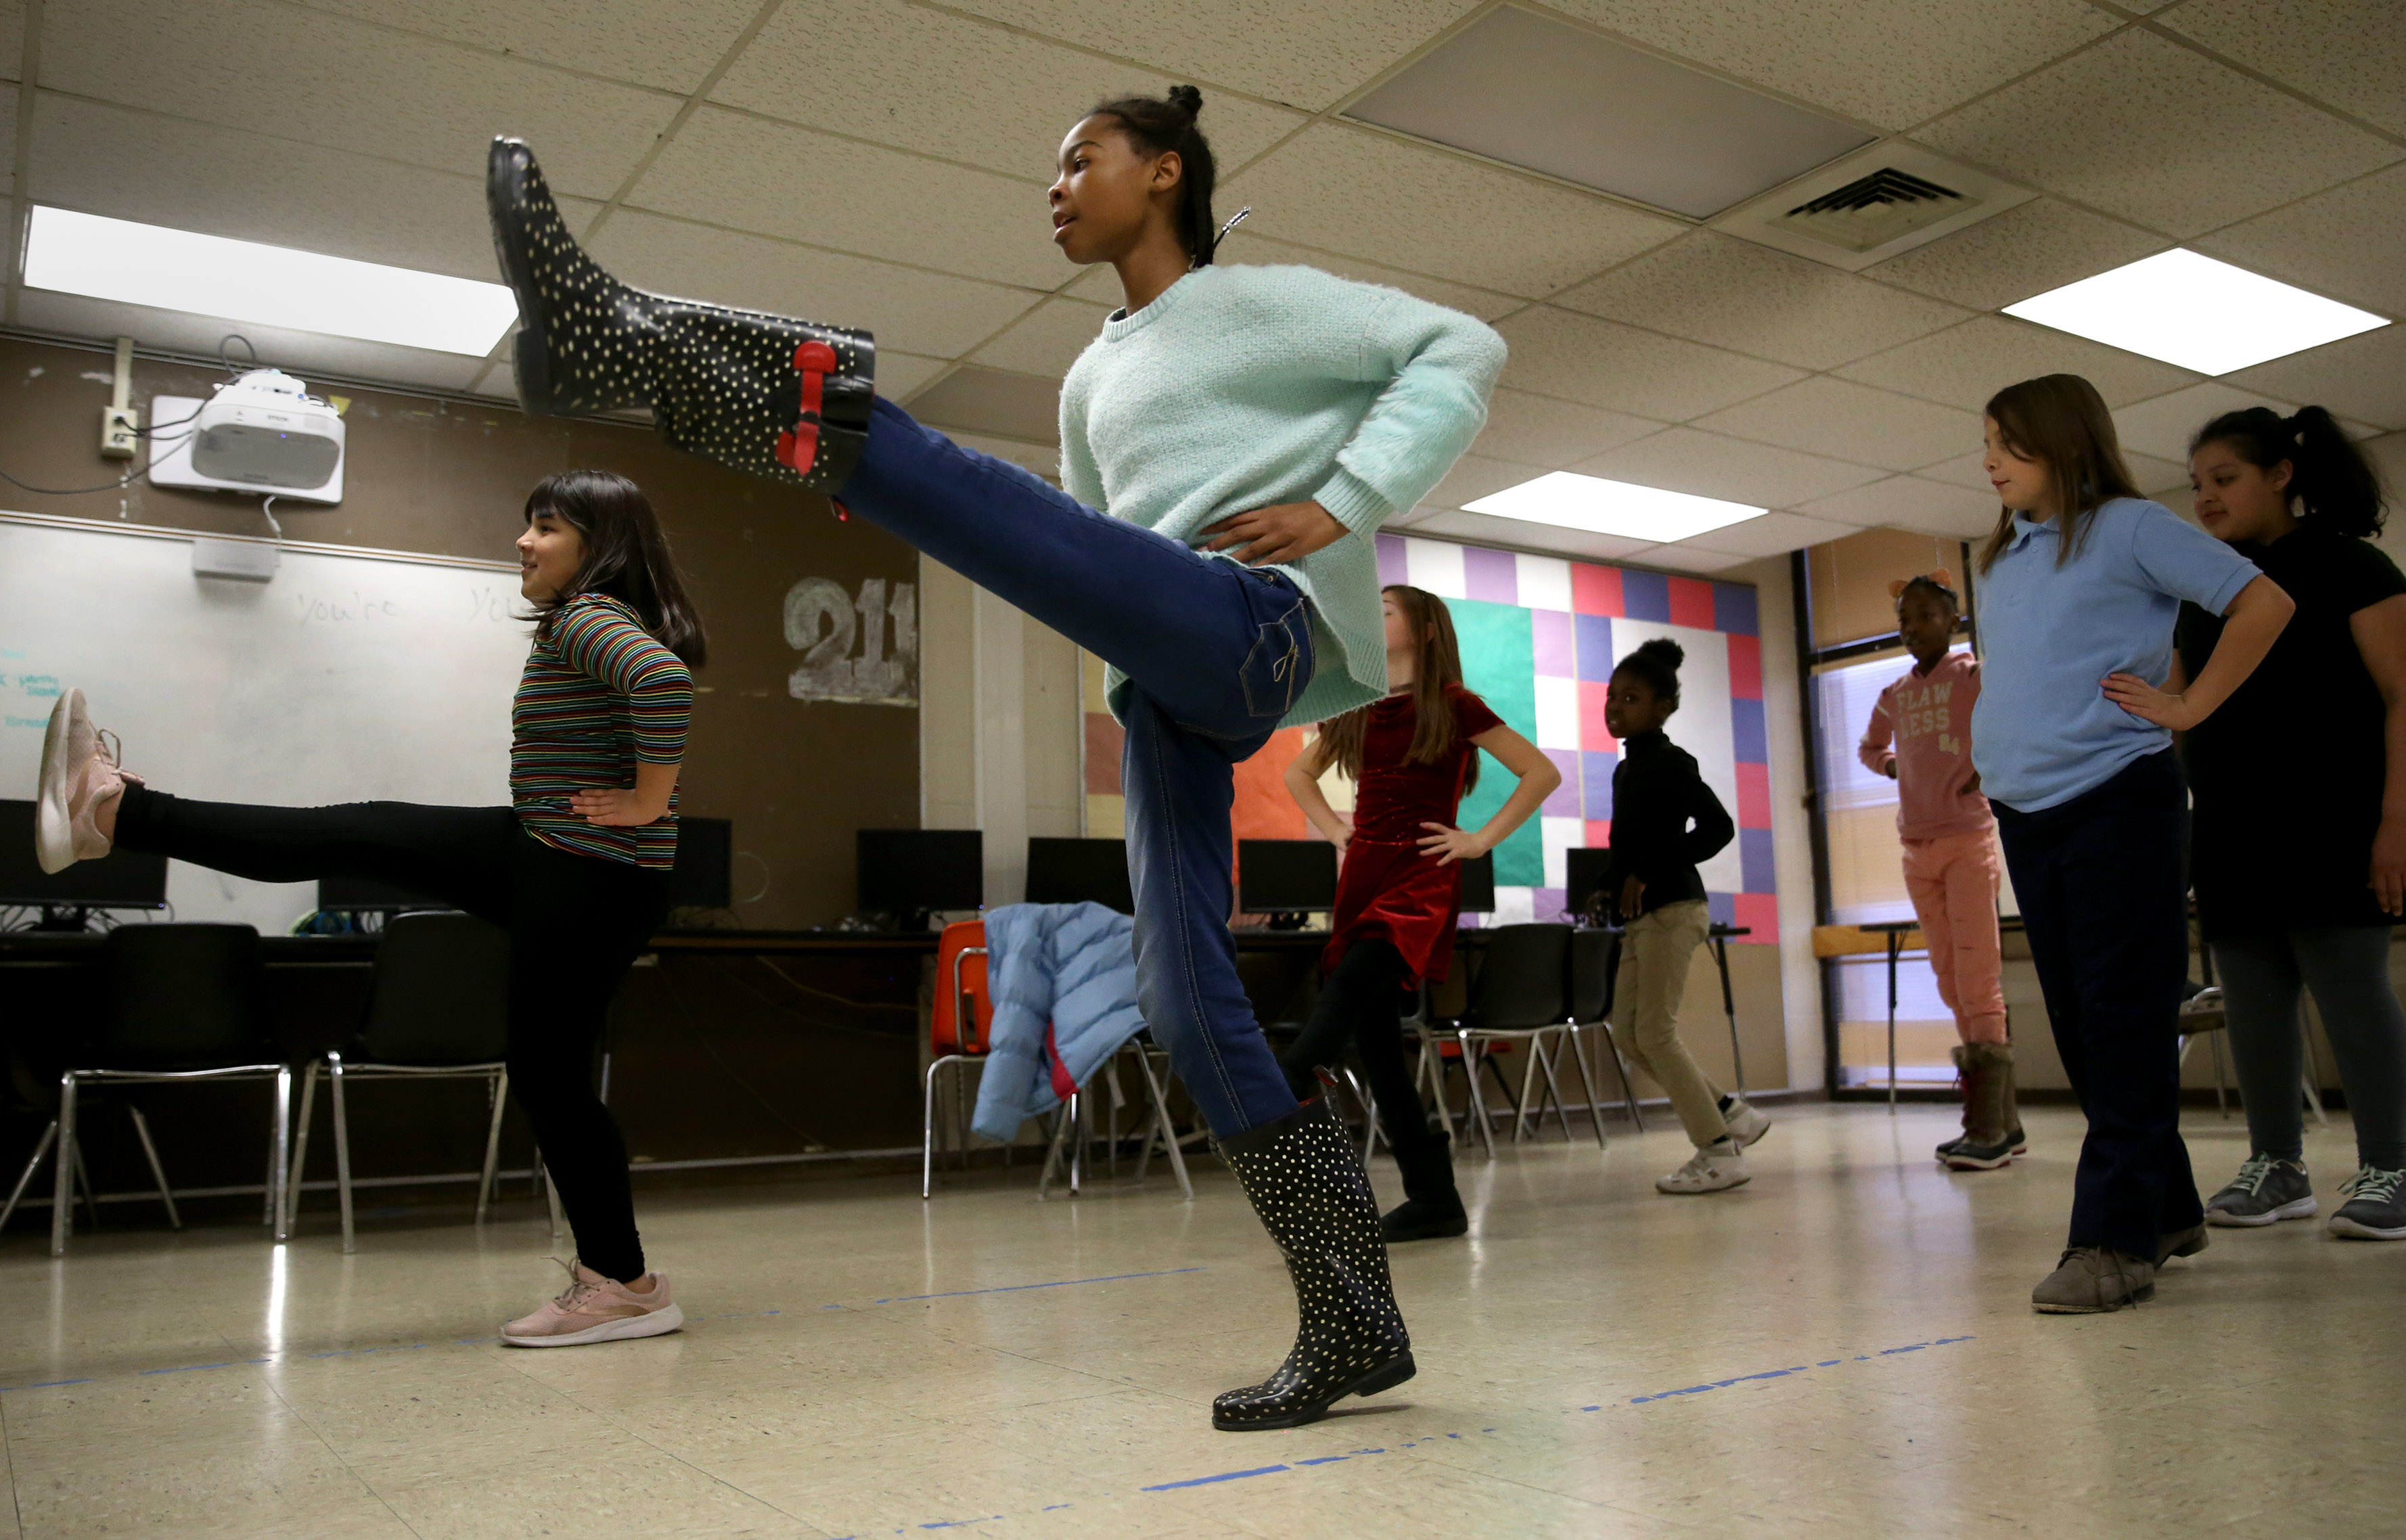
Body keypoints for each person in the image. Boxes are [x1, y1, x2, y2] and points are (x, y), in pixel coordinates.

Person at [481, 85, 1505, 1430]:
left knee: (945, 475)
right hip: (1167, 676)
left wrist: (1343, 501)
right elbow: (1085, 542)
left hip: (1250, 624)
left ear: (1165, 172)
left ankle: (624, 336)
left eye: (1080, 160)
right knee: (1186, 1002)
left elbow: (1462, 346)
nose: (1055, 185)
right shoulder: (1089, 378)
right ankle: (1354, 1317)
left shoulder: (1261, 306)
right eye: (1051, 168)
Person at [34, 470, 702, 1346]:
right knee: (357, 836)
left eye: (545, 527)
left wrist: (650, 801)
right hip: (555, 852)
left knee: (546, 1073)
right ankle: (113, 812)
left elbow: (662, 684)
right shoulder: (585, 620)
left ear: (598, 543)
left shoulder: (589, 616)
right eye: (527, 524)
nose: (524, 542)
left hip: (585, 868)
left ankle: (623, 1282)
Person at [1970, 373, 2292, 1313]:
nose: (1989, 461)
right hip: (2028, 815)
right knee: (2080, 1026)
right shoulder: (2003, 556)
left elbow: (2262, 604)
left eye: (2008, 444)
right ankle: (2171, 1207)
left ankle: (2113, 1240)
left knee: (2121, 1019)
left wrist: (2191, 705)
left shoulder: (2127, 527)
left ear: (2065, 446)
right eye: (1985, 443)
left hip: (2119, 802)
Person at [2172, 405, 2406, 1241]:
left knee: (2350, 991)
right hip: (2233, 834)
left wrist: (2395, 824)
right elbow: (2178, 712)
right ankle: (2278, 1166)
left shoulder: (2353, 568)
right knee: (2253, 1003)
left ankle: (2394, 1165)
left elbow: (2401, 698)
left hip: (2335, 821)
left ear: (2281, 476)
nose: (2205, 497)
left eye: (2224, 478)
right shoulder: (2204, 591)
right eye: (2197, 483)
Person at [1276, 585, 1560, 1241]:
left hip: (1420, 875)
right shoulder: (1356, 702)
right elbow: (1299, 776)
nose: (1373, 614)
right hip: (1364, 872)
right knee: (1379, 1053)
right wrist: (1335, 830)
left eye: (1387, 608)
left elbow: (1539, 772)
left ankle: (1290, 1074)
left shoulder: (1455, 704)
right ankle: (1434, 1198)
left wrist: (1478, 840)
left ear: (1427, 629)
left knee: (1348, 982)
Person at [1857, 572, 2020, 1171]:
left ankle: (1987, 1129)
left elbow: (2014, 722)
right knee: (1951, 979)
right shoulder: (1895, 694)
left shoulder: (1975, 676)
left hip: (1968, 840)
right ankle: (2006, 1121)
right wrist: (1896, 766)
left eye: (1925, 615)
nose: (1912, 627)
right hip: (1916, 848)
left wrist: (1990, 767)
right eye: (1904, 618)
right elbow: (1870, 749)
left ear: (1953, 621)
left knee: (1979, 978)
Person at [1598, 638, 1763, 1194]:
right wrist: (1613, 886)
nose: (1616, 707)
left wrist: (1649, 869)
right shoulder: (1628, 770)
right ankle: (1728, 1112)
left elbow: (1717, 829)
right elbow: (1631, 844)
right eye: (1612, 696)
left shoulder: (1670, 762)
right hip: (1643, 918)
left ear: (1664, 706)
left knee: (1656, 1033)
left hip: (1676, 910)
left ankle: (1719, 1150)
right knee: (1627, 1032)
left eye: (1632, 698)